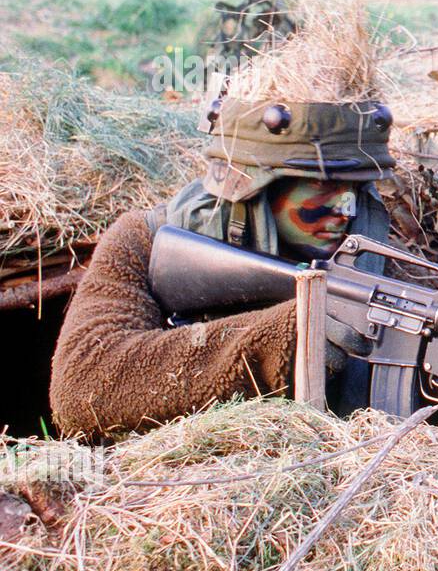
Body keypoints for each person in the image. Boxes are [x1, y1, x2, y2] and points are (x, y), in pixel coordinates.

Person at [49, 95, 396, 440]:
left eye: (355, 188)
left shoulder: (381, 261)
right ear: (255, 186)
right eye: (324, 186)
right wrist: (280, 339)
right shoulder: (146, 242)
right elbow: (82, 387)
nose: (346, 208)